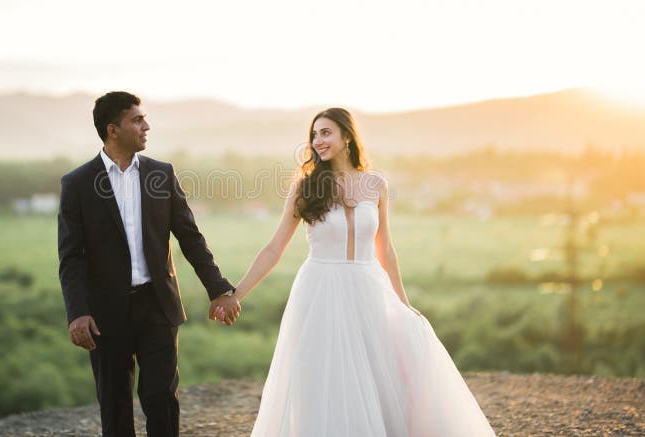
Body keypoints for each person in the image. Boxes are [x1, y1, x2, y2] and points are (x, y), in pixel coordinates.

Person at [225, 107, 496, 436]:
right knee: (326, 377)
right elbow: (274, 247)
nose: (317, 141)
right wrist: (235, 294)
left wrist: (404, 305)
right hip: (320, 291)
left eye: (325, 133)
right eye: (313, 135)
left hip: (368, 288)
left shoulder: (376, 184)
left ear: (347, 136)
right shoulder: (305, 188)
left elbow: (386, 251)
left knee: (379, 376)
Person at [57, 91, 241, 437]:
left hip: (157, 304)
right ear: (113, 129)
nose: (147, 126)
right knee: (115, 406)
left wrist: (218, 289)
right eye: (137, 120)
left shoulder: (161, 174)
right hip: (105, 313)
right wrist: (77, 312)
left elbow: (190, 237)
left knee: (160, 398)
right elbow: (70, 257)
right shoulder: (77, 184)